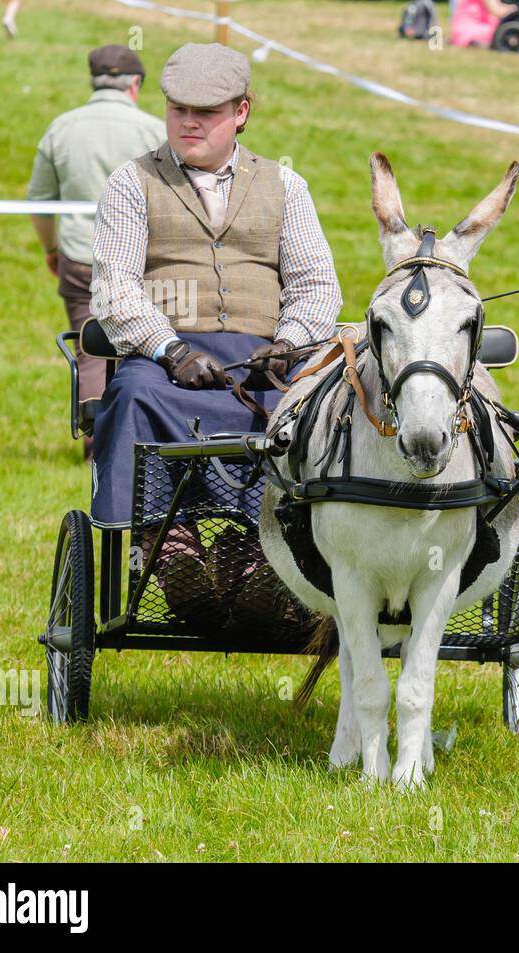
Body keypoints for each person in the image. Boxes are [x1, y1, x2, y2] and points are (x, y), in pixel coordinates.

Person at [89, 43, 341, 613]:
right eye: (179, 109)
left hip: (263, 369)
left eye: (206, 111)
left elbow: (317, 284)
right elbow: (115, 286)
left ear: (242, 112)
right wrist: (170, 349)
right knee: (132, 394)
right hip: (166, 365)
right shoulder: (132, 183)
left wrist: (290, 342)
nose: (189, 121)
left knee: (315, 411)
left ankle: (257, 552)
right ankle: (167, 543)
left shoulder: (286, 186)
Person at [26, 45, 166, 461]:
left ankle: (97, 448)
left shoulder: (61, 128)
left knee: (92, 351)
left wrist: (51, 248)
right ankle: (142, 444)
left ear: (93, 81)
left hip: (79, 255)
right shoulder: (155, 131)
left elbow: (40, 201)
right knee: (143, 348)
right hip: (142, 263)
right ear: (135, 84)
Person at [450, 0, 516, 48]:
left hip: (462, 28)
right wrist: (514, 8)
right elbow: (496, 11)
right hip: (470, 28)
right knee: (500, 32)